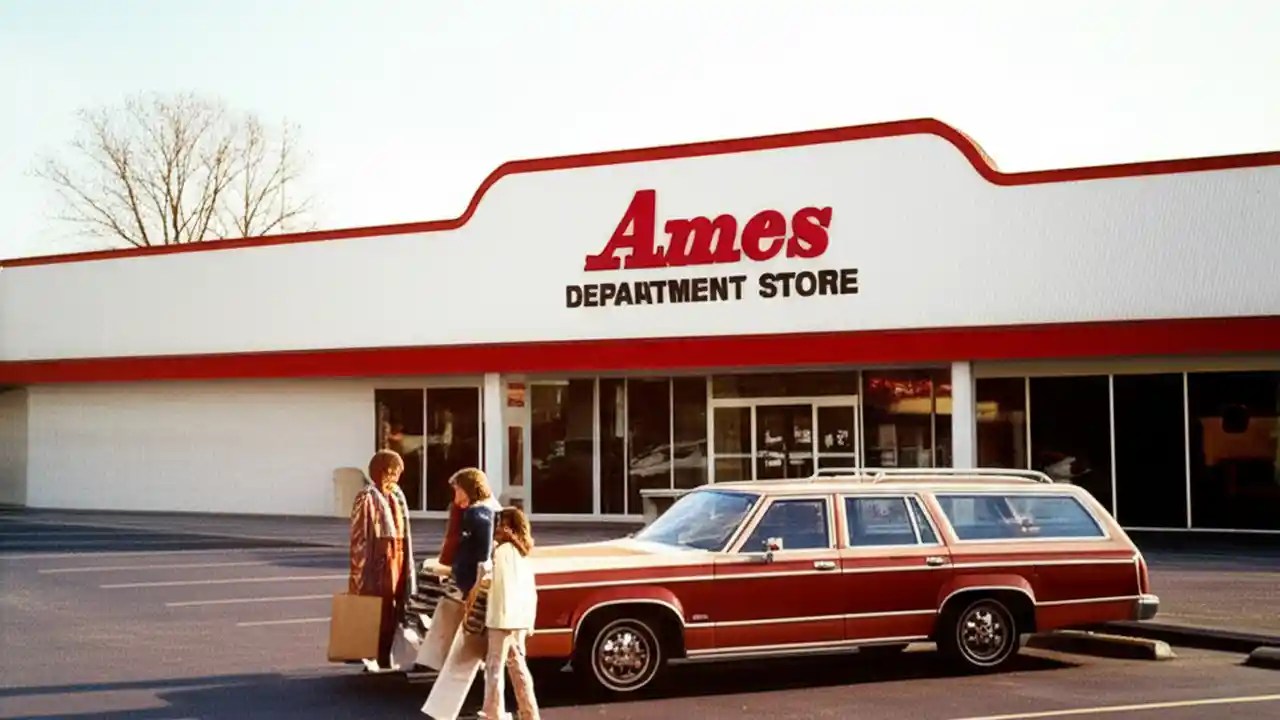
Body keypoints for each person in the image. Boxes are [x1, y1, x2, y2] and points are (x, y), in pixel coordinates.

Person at [348, 449, 416, 670]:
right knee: (376, 610)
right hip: (378, 561)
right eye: (394, 471)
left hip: (396, 558)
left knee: (395, 609)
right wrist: (362, 568)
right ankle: (372, 655)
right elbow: (360, 536)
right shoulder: (366, 496)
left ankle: (387, 655)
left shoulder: (396, 495)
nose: (397, 477)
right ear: (383, 471)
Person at [482, 506, 541, 720]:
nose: (495, 528)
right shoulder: (523, 553)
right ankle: (529, 712)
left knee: (494, 667)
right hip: (518, 618)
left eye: (499, 524)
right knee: (518, 667)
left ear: (506, 527)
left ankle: (493, 713)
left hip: (501, 617)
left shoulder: (502, 552)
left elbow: (497, 583)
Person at [448, 467, 500, 596]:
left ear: (468, 489)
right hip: (474, 577)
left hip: (470, 580)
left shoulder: (476, 513)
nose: (456, 495)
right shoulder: (489, 510)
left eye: (458, 490)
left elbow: (483, 553)